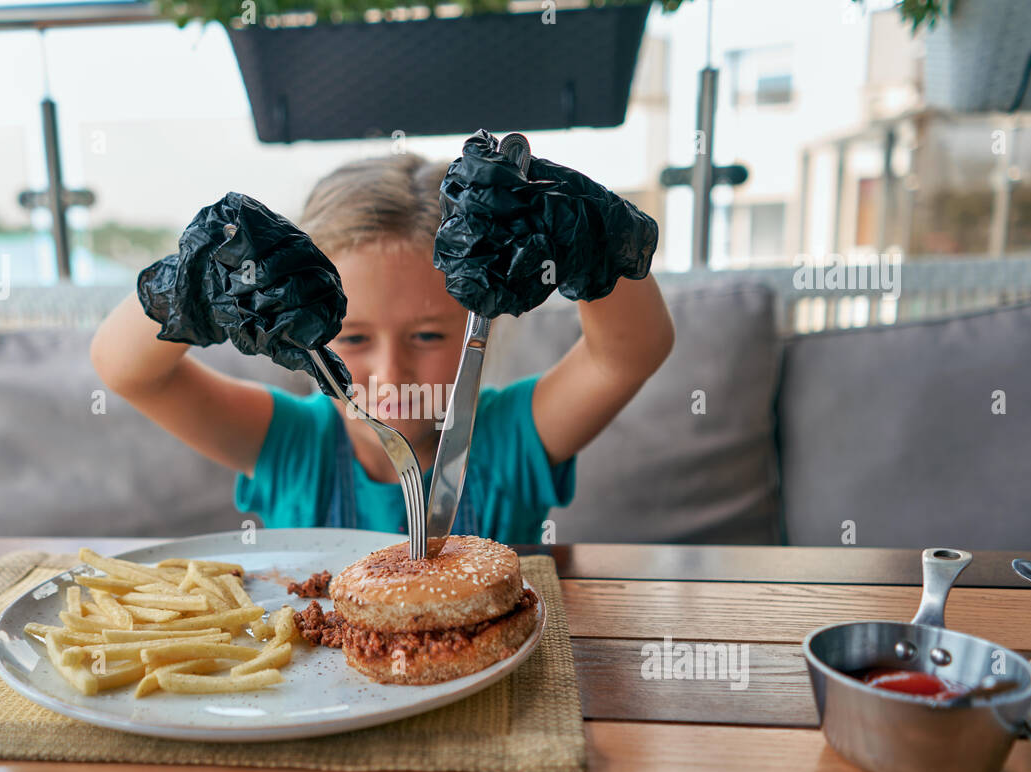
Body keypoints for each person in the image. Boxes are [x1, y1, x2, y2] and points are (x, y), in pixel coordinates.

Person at [91, 138, 674, 545]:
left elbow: (631, 352)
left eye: (426, 334)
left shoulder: (511, 439)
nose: (392, 374)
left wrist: (597, 239)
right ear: (298, 325)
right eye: (354, 336)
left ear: (480, 325)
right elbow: (125, 369)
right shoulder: (292, 447)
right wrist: (195, 284)